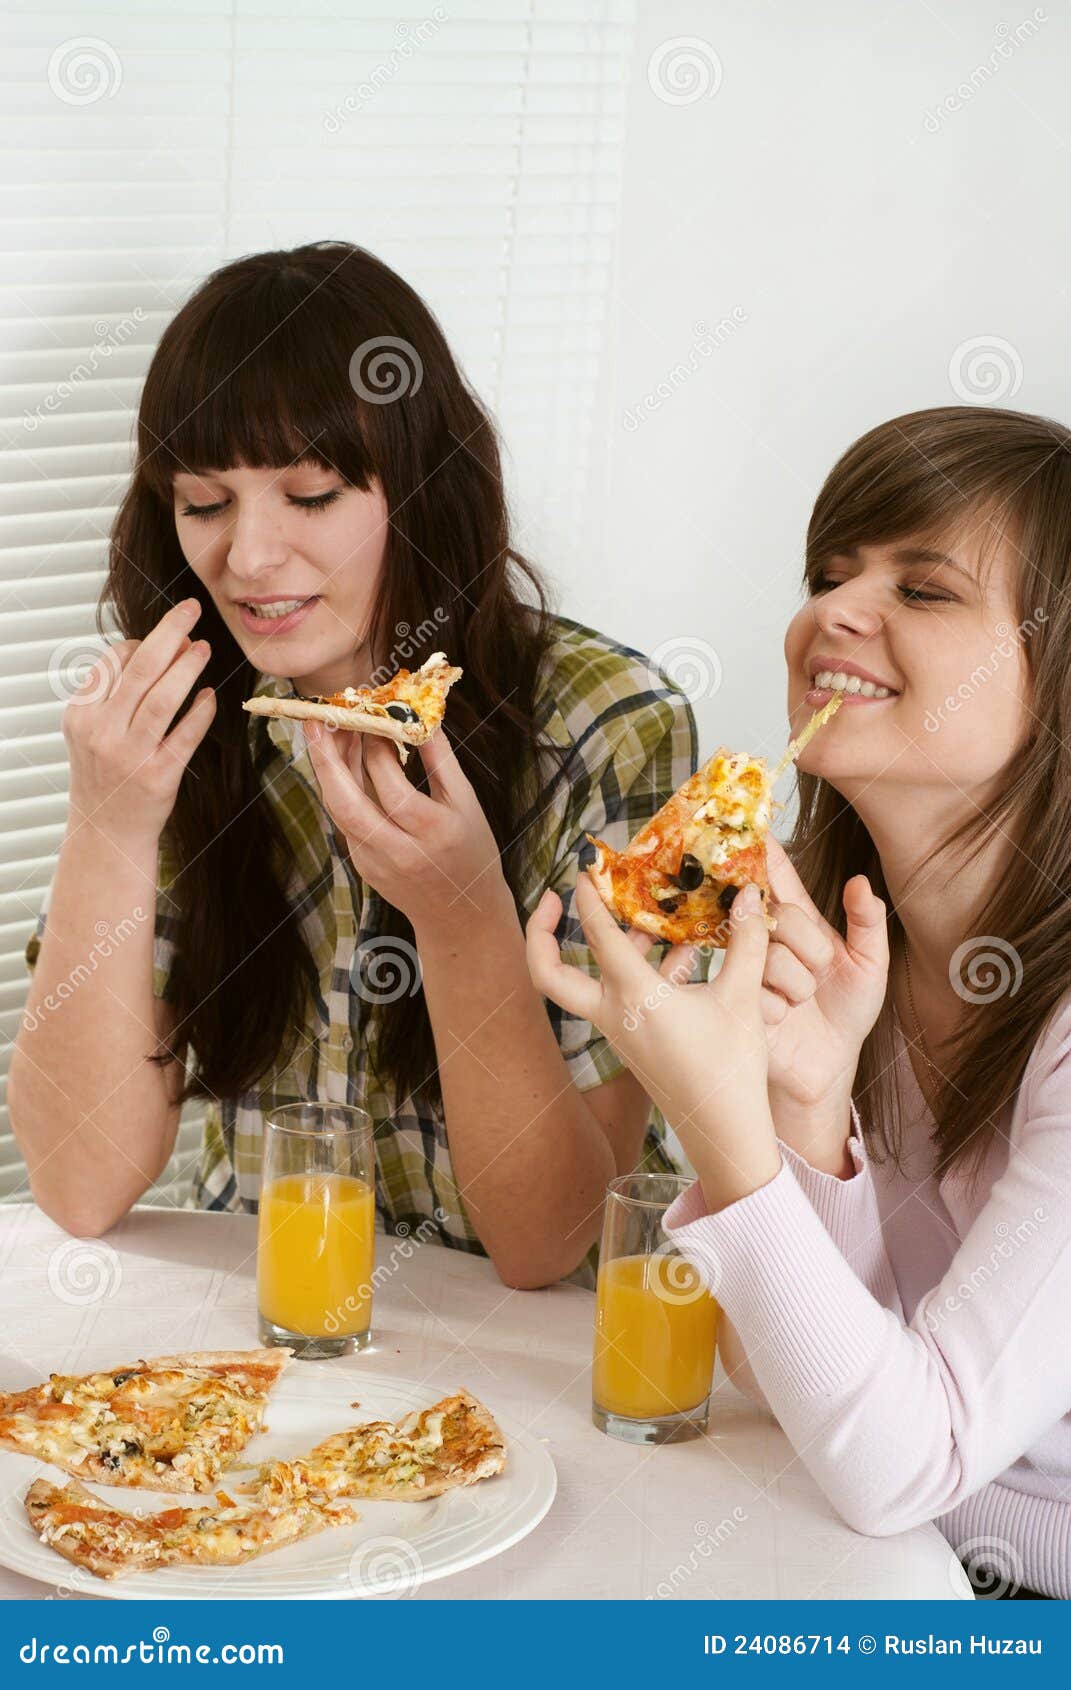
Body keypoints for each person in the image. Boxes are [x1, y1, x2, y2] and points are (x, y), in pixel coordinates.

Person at [12, 241, 692, 1290]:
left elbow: (548, 1242)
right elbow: (79, 1184)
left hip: (538, 1347)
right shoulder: (181, 714)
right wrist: (108, 827)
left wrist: (461, 915)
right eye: (204, 503)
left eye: (313, 494)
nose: (249, 558)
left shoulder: (615, 725)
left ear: (420, 486)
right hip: (269, 1321)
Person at [528, 406, 1070, 1594]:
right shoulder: (840, 955)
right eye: (830, 573)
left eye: (923, 590)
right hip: (895, 1563)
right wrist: (807, 1114)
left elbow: (897, 1460)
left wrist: (715, 1117)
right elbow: (795, 1387)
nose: (836, 610)